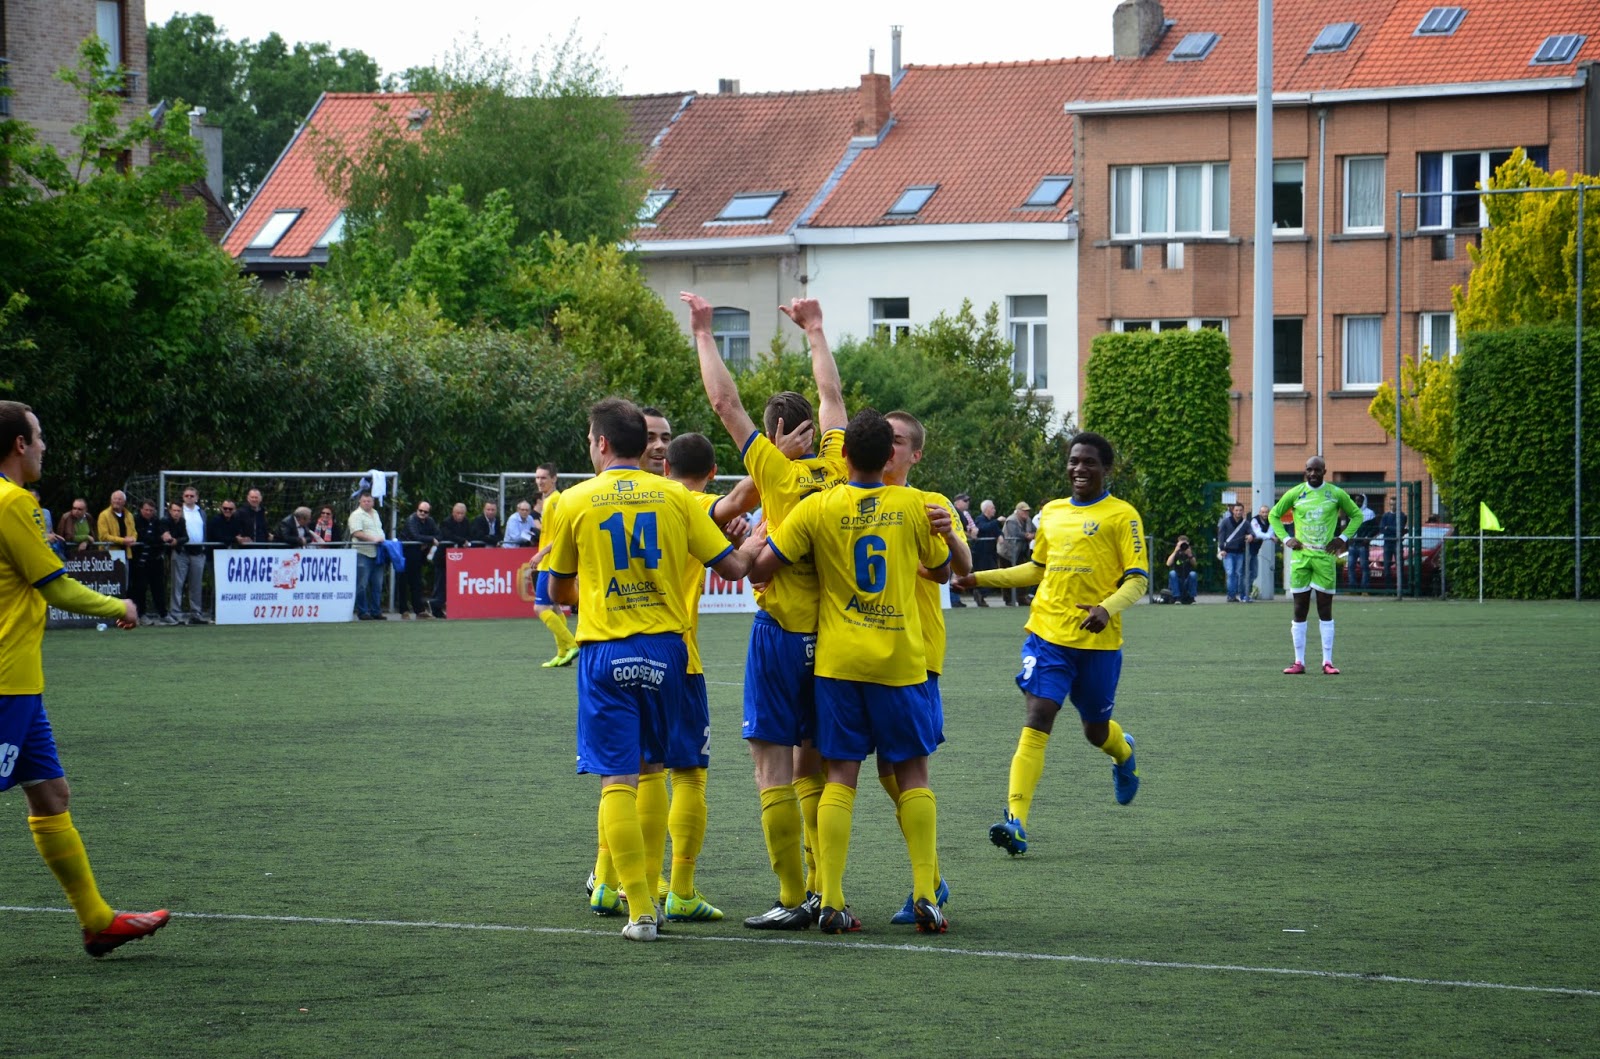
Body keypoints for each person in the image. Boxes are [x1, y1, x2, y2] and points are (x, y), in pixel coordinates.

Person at [544, 397, 753, 942]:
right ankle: (665, 893)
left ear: (603, 444)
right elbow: (732, 567)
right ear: (647, 446)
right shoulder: (677, 499)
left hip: (604, 652)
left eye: (591, 440)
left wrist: (589, 584)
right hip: (667, 651)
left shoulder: (571, 500)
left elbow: (557, 588)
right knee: (658, 770)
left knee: (617, 778)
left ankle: (638, 910)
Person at [744, 408, 953, 935]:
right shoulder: (912, 505)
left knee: (839, 776)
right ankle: (927, 894)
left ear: (842, 457)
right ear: (889, 458)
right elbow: (944, 569)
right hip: (900, 661)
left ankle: (832, 900)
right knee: (912, 774)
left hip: (837, 663)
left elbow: (765, 567)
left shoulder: (818, 506)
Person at [683, 289, 848, 931]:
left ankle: (790, 896)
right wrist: (815, 329)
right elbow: (832, 397)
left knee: (769, 766)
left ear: (777, 435)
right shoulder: (839, 467)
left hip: (781, 634)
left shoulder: (775, 473)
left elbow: (724, 403)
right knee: (815, 766)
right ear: (816, 432)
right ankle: (823, 889)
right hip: (832, 636)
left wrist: (702, 332)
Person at [0, 400, 169, 956]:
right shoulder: (12, 502)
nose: (45, 445)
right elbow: (56, 587)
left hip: (22, 682)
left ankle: (96, 920)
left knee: (51, 795)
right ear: (20, 444)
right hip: (4, 682)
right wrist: (117, 604)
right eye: (40, 436)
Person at [954, 432, 1147, 856]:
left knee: (1096, 732)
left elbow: (1137, 579)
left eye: (1089, 462)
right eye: (1074, 461)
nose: (1079, 469)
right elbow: (1036, 570)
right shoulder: (1052, 512)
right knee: (1039, 714)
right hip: (1047, 636)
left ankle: (1123, 751)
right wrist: (978, 579)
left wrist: (1106, 608)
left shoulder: (1122, 516)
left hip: (1098, 643)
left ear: (1106, 469)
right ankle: (1016, 821)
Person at [878, 409, 968, 925]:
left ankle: (927, 883)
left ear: (916, 454)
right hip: (859, 652)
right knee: (875, 769)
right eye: (883, 439)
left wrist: (950, 537)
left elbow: (960, 568)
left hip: (916, 652)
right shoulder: (854, 499)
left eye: (898, 442)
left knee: (903, 767)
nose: (889, 449)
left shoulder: (929, 504)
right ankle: (928, 878)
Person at [1270, 456, 1362, 675]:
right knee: (1299, 608)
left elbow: (1357, 516)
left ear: (1324, 472)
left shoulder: (1335, 494)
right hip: (1301, 557)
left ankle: (1327, 662)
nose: (1312, 474)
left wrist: (1343, 538)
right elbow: (1274, 515)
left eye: (1317, 470)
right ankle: (1298, 662)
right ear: (1305, 471)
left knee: (1324, 609)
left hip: (1324, 557)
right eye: (1309, 470)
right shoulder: (1295, 493)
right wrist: (1286, 539)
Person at [530, 466, 580, 667]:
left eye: (544, 478)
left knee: (540, 607)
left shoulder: (555, 501)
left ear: (554, 479)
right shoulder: (548, 501)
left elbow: (560, 535)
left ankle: (572, 644)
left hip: (549, 561)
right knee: (554, 607)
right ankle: (562, 652)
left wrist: (541, 553)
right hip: (548, 560)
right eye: (537, 478)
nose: (540, 481)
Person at [170, 487, 210, 624]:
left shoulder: (202, 513)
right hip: (182, 551)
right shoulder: (178, 511)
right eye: (186, 495)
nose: (189, 498)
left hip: (198, 552)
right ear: (183, 497)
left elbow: (204, 530)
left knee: (196, 585)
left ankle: (196, 613)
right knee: (177, 584)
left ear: (197, 497)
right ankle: (175, 613)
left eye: (192, 495)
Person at [347, 490, 386, 620]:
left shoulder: (375, 513)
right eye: (364, 501)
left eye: (369, 501)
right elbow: (356, 533)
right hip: (362, 552)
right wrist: (374, 539)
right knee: (362, 584)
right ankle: (362, 612)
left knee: (377, 584)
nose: (367, 503)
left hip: (378, 553)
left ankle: (376, 611)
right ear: (360, 501)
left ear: (373, 502)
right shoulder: (356, 515)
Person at [400, 501, 440, 619]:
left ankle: (419, 611)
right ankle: (404, 611)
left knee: (417, 583)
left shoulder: (430, 521)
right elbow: (415, 536)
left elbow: (439, 534)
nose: (422, 513)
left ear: (428, 513)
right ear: (417, 510)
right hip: (405, 553)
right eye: (420, 510)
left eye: (425, 512)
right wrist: (430, 540)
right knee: (403, 582)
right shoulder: (411, 520)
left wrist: (428, 540)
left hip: (417, 555)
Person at [434, 502, 473, 618]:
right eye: (458, 513)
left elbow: (470, 535)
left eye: (462, 513)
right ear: (453, 513)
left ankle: (453, 608)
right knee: (440, 584)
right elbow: (448, 536)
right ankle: (436, 609)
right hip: (442, 559)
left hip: (459, 561)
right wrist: (462, 541)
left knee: (455, 585)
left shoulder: (466, 522)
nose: (460, 516)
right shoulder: (446, 522)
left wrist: (466, 541)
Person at [132, 499, 167, 626]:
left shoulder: (157, 521)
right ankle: (141, 614)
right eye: (146, 510)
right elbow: (143, 537)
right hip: (140, 561)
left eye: (151, 510)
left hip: (156, 560)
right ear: (141, 509)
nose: (148, 512)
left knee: (158, 588)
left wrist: (161, 538)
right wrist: (159, 539)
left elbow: (163, 536)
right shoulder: (135, 520)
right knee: (140, 588)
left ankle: (163, 614)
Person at [159, 501, 188, 624]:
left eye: (179, 511)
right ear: (170, 511)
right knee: (162, 585)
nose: (176, 513)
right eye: (174, 510)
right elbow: (165, 536)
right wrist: (170, 539)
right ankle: (165, 613)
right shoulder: (164, 521)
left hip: (175, 554)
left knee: (176, 583)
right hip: (161, 555)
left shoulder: (182, 522)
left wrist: (176, 541)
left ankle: (173, 612)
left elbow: (186, 537)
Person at [998, 502, 1033, 606]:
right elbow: (1016, 534)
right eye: (1024, 511)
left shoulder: (1028, 520)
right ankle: (1008, 600)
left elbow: (1036, 531)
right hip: (1006, 553)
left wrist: (1030, 535)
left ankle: (1022, 598)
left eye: (1027, 511)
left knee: (1022, 575)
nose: (1026, 513)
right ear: (1018, 511)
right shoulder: (1011, 520)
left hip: (1019, 553)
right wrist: (1028, 536)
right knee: (1006, 576)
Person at [1217, 501, 1251, 602]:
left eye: (1240, 510)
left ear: (1243, 511)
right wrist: (1222, 549)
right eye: (1236, 510)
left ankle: (1240, 595)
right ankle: (1231, 595)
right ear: (1233, 511)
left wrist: (1250, 535)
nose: (1238, 512)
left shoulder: (1245, 523)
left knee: (1239, 573)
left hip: (1240, 552)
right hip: (1227, 553)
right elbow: (1221, 536)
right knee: (1231, 573)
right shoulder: (1225, 521)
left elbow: (1251, 532)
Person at [1348, 494, 1378, 590]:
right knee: (1351, 566)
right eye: (1356, 501)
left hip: (1363, 545)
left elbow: (1375, 528)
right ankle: (1353, 588)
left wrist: (1367, 538)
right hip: (1353, 544)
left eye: (1359, 501)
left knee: (1364, 567)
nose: (1357, 503)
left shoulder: (1370, 513)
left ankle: (1365, 588)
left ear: (1364, 501)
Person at [1247, 504, 1274, 598]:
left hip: (1255, 550)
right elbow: (1257, 534)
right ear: (1259, 513)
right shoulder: (1255, 520)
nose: (1265, 514)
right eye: (1263, 512)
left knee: (1254, 573)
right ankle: (1244, 593)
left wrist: (1269, 536)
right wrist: (1270, 537)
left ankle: (1247, 592)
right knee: (1246, 572)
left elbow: (1270, 532)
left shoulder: (1270, 521)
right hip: (1247, 550)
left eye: (1266, 512)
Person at [1379, 503, 1407, 589]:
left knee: (1399, 565)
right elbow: (1382, 528)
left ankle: (1400, 588)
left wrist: (1388, 528)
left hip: (1397, 543)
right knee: (1387, 565)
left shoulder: (1402, 516)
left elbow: (1400, 528)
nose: (1393, 506)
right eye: (1391, 504)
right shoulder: (1385, 516)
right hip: (1387, 543)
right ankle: (1388, 588)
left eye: (1395, 504)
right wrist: (1392, 529)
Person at [1166, 535, 1198, 604]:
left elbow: (1195, 564)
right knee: (1172, 573)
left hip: (1187, 580)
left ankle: (1191, 598)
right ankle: (1177, 598)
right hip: (1177, 580)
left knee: (1193, 574)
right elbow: (1168, 563)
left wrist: (1190, 555)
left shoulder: (1190, 552)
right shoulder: (1176, 553)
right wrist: (1175, 551)